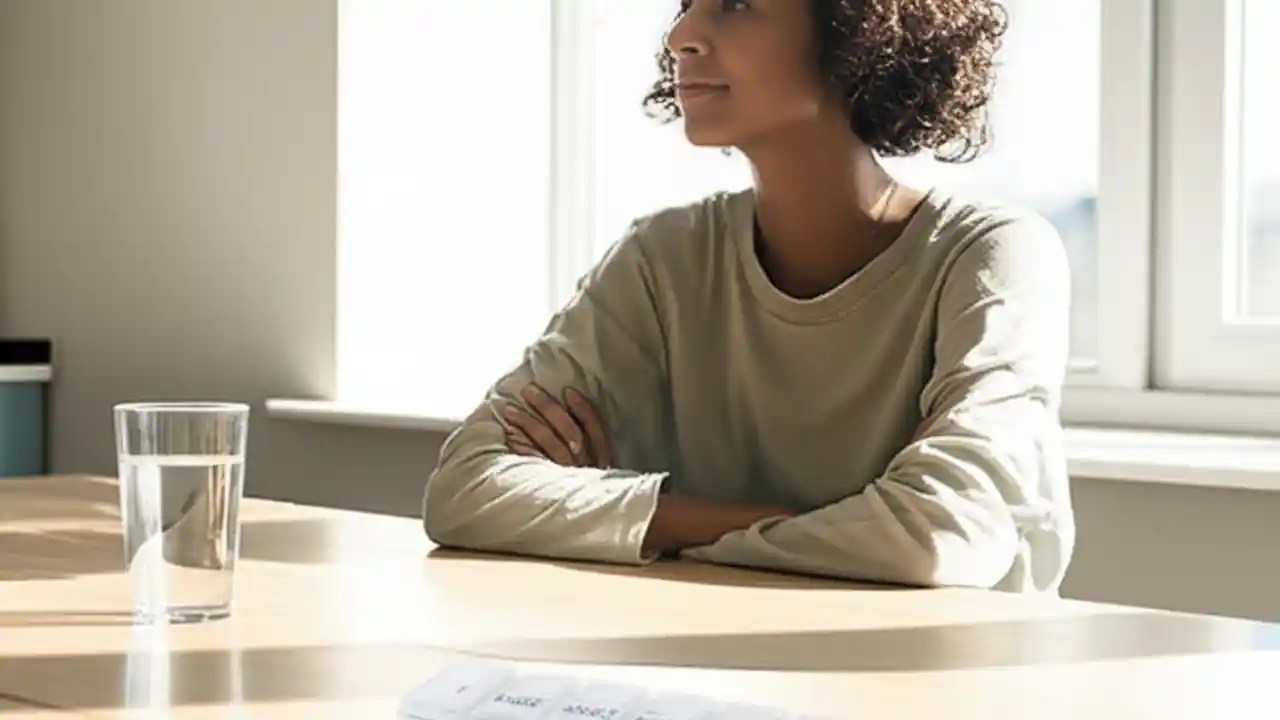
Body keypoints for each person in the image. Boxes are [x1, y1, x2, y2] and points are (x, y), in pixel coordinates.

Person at [423, 0, 1074, 592]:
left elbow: (939, 539)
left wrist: (627, 519)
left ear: (858, 32)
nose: (680, 35)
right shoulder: (663, 258)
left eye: (735, 5)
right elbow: (464, 491)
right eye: (687, 6)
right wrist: (853, 516)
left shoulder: (990, 254)